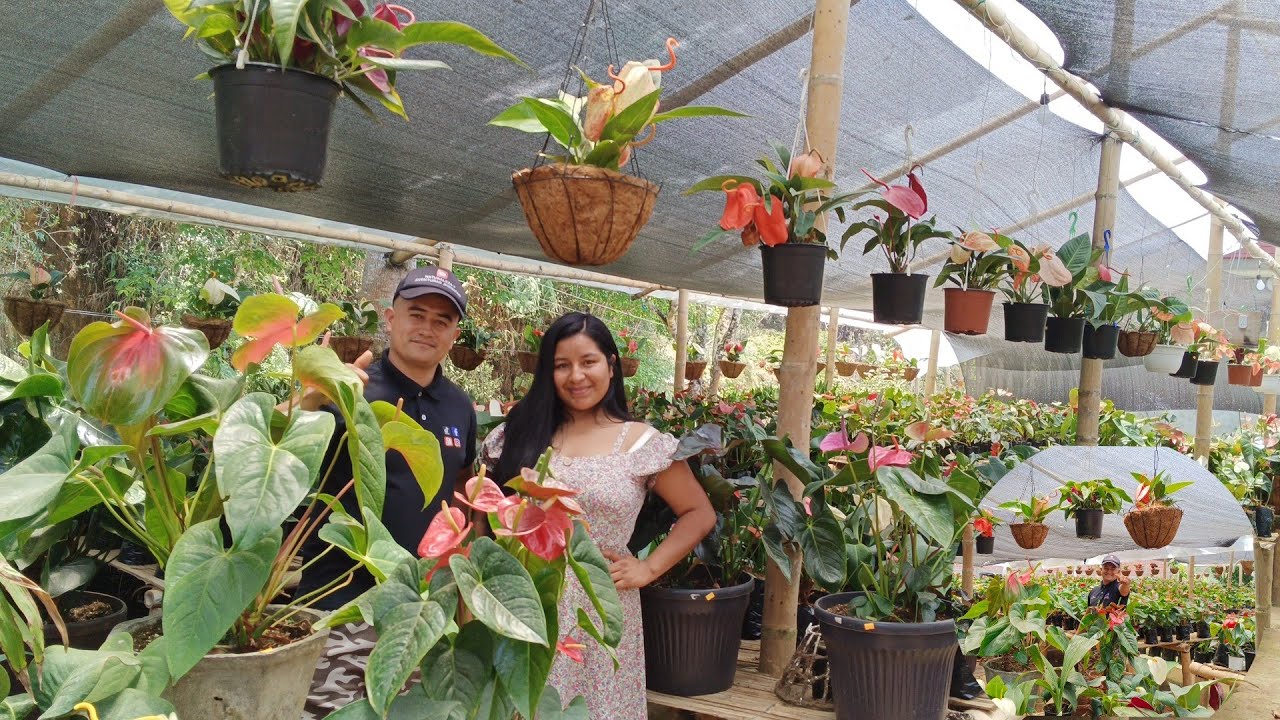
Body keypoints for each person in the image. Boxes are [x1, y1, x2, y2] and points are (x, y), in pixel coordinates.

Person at [483, 312, 716, 720]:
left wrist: (648, 567)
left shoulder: (642, 442)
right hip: (523, 603)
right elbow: (484, 517)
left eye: (588, 361)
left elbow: (699, 512)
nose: (576, 376)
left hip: (601, 608)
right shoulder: (514, 437)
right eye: (561, 365)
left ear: (611, 365)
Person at [295, 266, 477, 718]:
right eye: (417, 314)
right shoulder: (351, 385)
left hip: (417, 610)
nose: (427, 328)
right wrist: (313, 397)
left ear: (455, 334)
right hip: (340, 603)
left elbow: (459, 494)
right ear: (390, 317)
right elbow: (273, 445)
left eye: (442, 320)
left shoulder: (459, 406)